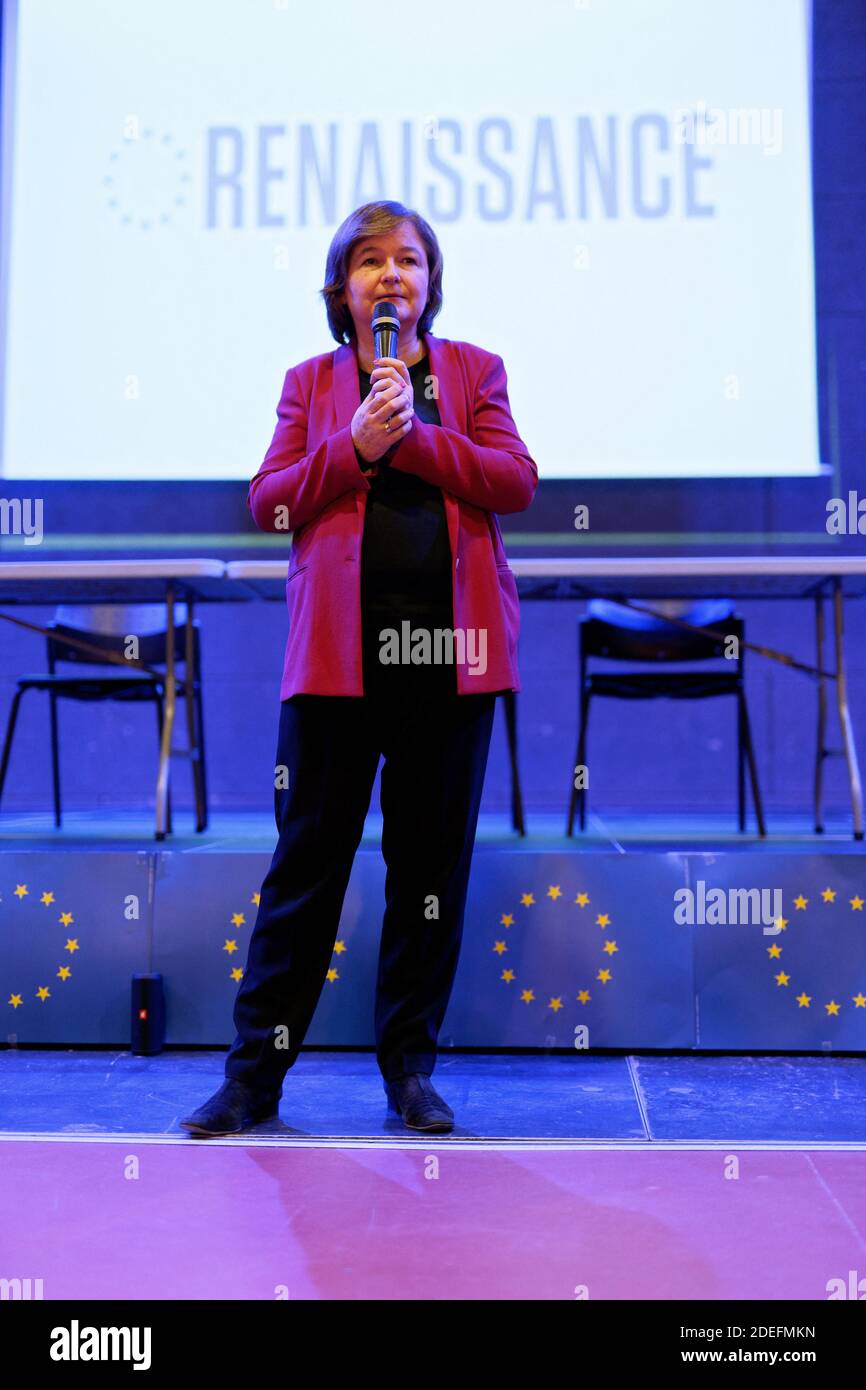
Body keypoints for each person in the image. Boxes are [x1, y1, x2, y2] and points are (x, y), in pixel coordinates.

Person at [181, 200, 537, 1137]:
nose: (391, 275)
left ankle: (409, 1074)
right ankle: (254, 1079)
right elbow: (269, 503)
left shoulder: (473, 372)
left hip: (449, 663)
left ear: (429, 284)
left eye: (409, 260)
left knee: (429, 873)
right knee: (306, 872)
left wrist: (414, 436)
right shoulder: (309, 384)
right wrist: (355, 448)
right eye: (369, 261)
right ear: (341, 289)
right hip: (339, 665)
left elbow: (516, 481)